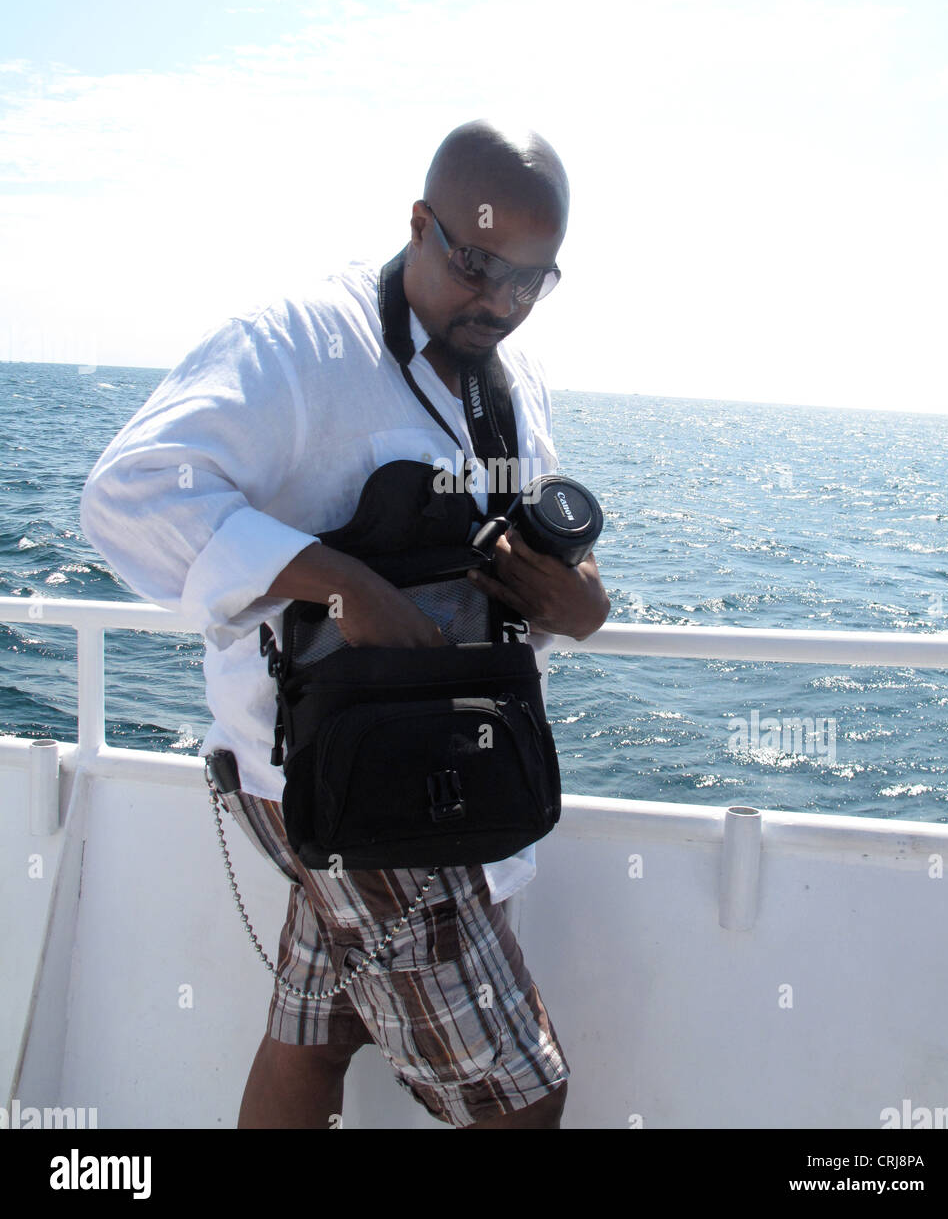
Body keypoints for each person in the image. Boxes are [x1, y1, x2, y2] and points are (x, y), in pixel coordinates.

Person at [80, 118, 611, 1129]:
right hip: (331, 777)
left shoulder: (511, 377)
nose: (499, 303)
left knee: (317, 1036)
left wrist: (576, 598)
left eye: (530, 281)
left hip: (436, 769)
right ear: (418, 224)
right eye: (477, 265)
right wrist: (338, 582)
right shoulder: (294, 345)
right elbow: (130, 493)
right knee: (521, 1096)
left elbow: (536, 532)